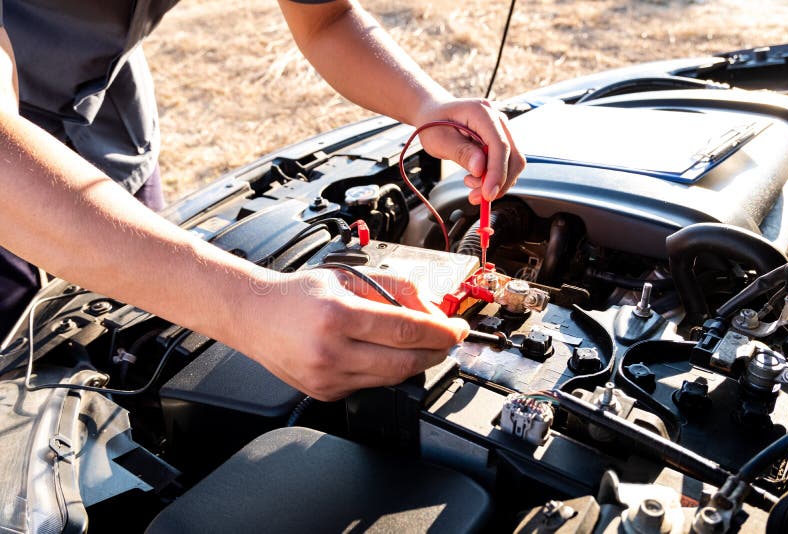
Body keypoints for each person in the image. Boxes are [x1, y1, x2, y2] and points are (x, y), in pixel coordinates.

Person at [0, 0, 525, 400]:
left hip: (109, 117)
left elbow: (326, 19)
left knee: (135, 314)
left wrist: (428, 105)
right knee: (16, 359)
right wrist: (245, 305)